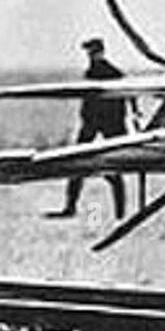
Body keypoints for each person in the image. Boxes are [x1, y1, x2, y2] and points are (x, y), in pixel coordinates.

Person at [45, 37, 128, 219]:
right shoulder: (111, 72)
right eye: (89, 52)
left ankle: (73, 207)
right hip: (101, 123)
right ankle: (117, 212)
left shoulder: (103, 73)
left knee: (89, 164)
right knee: (87, 165)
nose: (90, 55)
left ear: (98, 52)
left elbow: (111, 100)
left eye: (91, 52)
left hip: (102, 123)